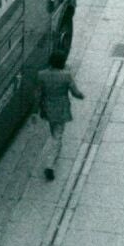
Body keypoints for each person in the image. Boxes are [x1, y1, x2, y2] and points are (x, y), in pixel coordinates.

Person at [37, 49, 85, 179]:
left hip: (47, 108)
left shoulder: (42, 75)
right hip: (61, 108)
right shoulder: (66, 75)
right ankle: (50, 165)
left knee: (54, 131)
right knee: (57, 136)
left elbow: (39, 93)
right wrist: (81, 96)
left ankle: (55, 152)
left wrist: (38, 108)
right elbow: (75, 92)